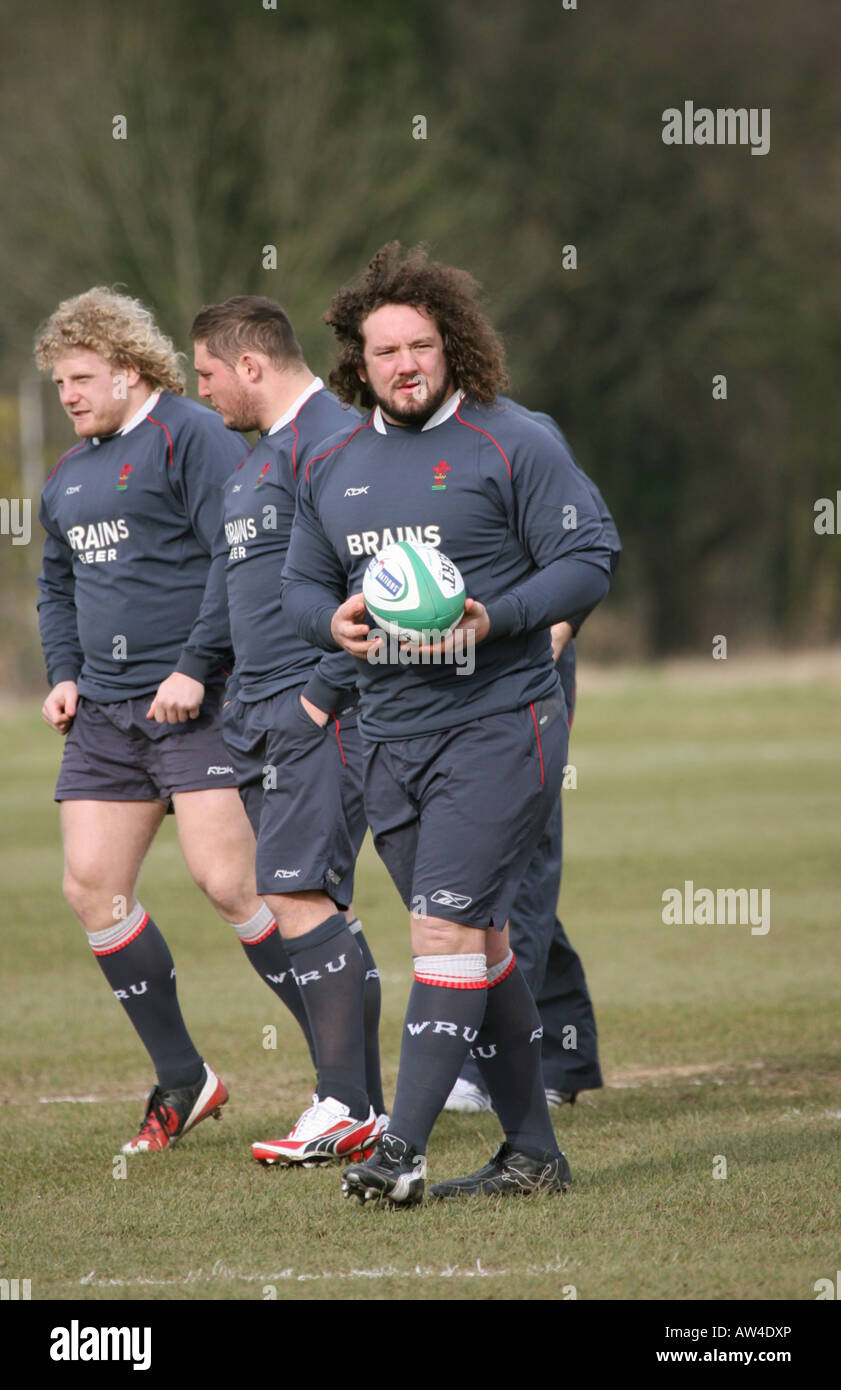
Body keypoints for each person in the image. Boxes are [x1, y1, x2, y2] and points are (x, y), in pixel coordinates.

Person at [281, 242, 614, 1204]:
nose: (404, 365)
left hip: (499, 720)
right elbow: (303, 581)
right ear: (358, 361)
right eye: (384, 351)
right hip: (387, 735)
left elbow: (590, 555)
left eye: (419, 345)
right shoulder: (333, 461)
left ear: (451, 346)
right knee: (484, 944)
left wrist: (494, 616)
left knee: (441, 930)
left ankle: (401, 1150)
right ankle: (533, 1154)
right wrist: (327, 621)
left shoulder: (514, 439)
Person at [35, 286, 272, 1155]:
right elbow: (55, 583)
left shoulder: (192, 435)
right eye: (60, 381)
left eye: (82, 376)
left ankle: (345, 1084)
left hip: (201, 703)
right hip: (104, 713)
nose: (68, 394)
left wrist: (194, 666)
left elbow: (235, 556)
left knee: (231, 884)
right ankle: (184, 1076)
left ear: (131, 371)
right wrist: (64, 674)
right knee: (91, 887)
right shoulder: (67, 473)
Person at [189, 296, 386, 1164]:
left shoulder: (335, 442)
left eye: (206, 375)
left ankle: (346, 1106)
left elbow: (381, 576)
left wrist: (325, 692)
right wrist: (199, 668)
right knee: (302, 899)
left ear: (252, 366)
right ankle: (359, 1104)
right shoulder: (255, 462)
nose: (203, 394)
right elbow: (229, 587)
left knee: (302, 895)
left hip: (315, 709)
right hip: (256, 713)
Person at [446, 409, 621, 1112]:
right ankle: (561, 1053)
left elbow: (590, 547)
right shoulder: (382, 446)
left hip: (524, 668)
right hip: (440, 679)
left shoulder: (524, 432)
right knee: (484, 864)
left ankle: (493, 1063)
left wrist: (555, 629)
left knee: (519, 857)